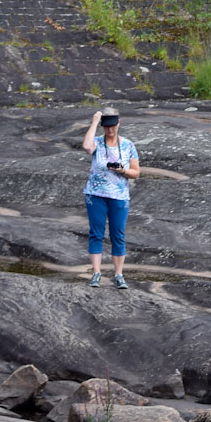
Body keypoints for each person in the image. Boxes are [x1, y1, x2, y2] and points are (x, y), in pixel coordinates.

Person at [82, 107, 140, 289]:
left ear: (118, 124)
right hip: (96, 195)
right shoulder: (97, 142)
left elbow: (136, 172)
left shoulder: (128, 145)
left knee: (118, 234)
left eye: (113, 126)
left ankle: (119, 274)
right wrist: (94, 121)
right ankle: (96, 273)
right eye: (106, 127)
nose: (110, 130)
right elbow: (86, 146)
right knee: (96, 233)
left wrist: (122, 170)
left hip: (119, 196)